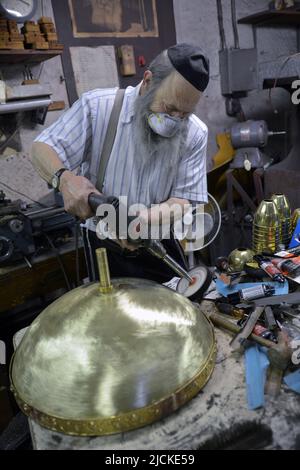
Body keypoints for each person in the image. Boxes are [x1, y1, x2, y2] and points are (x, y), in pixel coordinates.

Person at [31, 43, 210, 283]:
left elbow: (184, 200)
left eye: (184, 114)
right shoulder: (98, 108)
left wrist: (141, 220)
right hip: (103, 245)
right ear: (147, 81)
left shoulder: (195, 133)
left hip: (158, 239)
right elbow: (41, 148)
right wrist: (65, 180)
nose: (174, 121)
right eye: (169, 108)